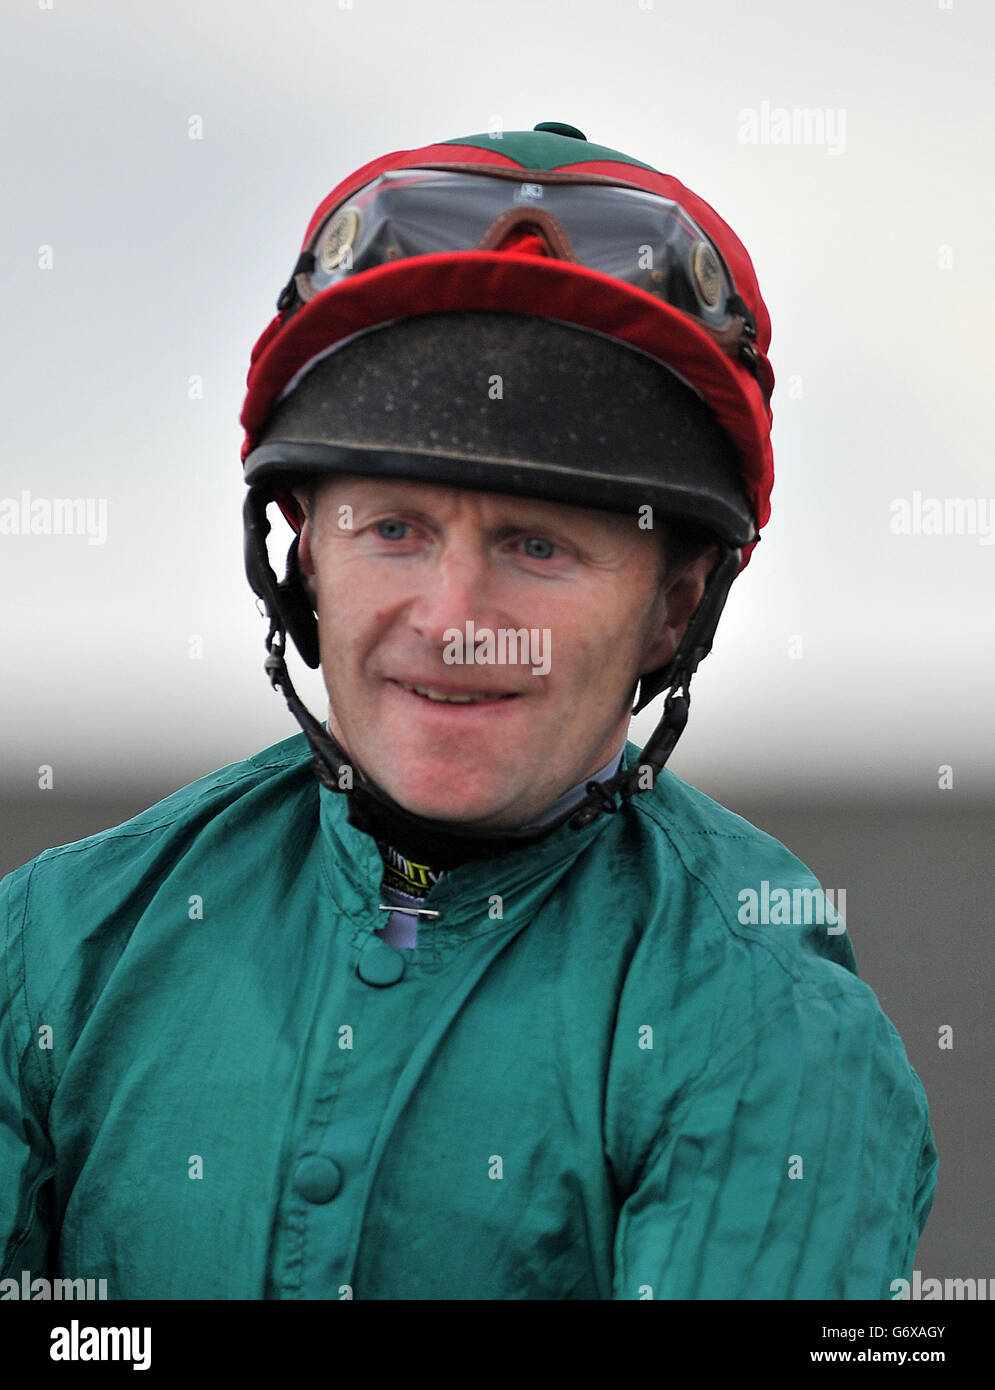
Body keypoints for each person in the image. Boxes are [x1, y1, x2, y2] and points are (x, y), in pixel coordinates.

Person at [1, 121, 936, 1301]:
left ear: (672, 609)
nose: (454, 619)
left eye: (536, 546)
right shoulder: (50, 947)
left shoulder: (773, 1026)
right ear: (301, 563)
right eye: (393, 529)